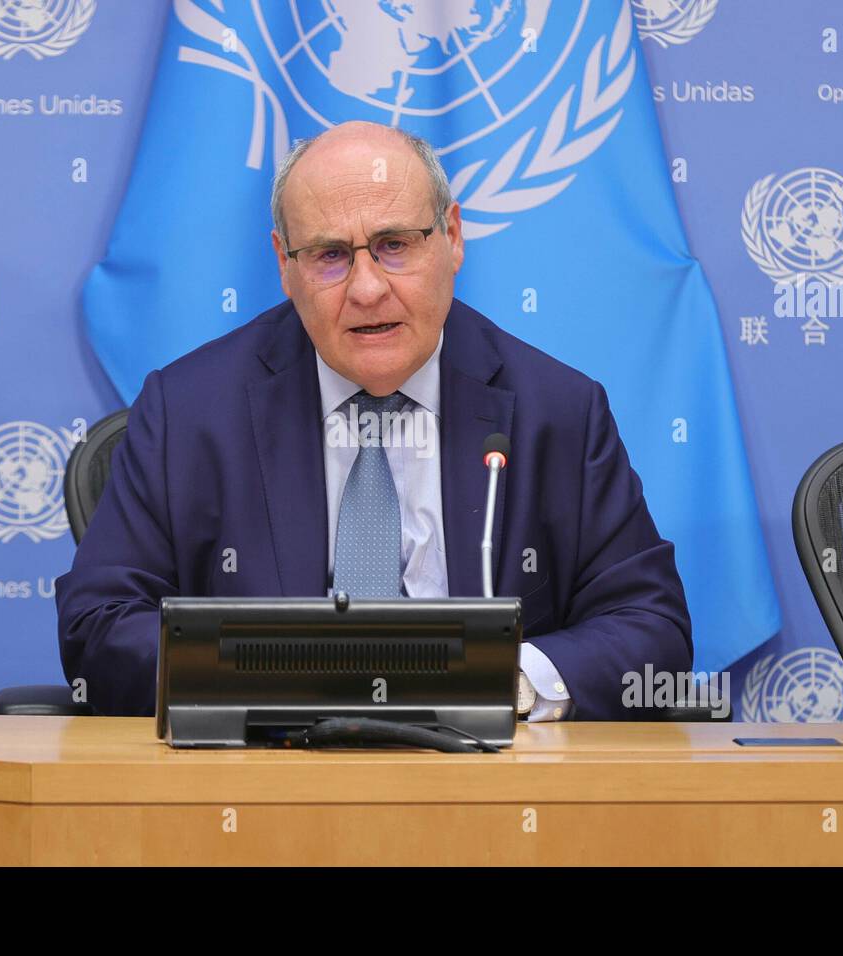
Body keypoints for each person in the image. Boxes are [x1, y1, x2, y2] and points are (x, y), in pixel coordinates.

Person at [55, 120, 691, 720]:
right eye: (329, 255)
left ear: (453, 237)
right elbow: (100, 625)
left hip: (490, 792)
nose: (366, 290)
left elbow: (651, 628)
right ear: (285, 264)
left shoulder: (556, 410)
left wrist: (507, 680)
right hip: (259, 785)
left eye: (394, 246)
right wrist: (287, 681)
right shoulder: (189, 411)